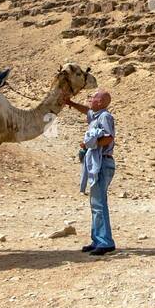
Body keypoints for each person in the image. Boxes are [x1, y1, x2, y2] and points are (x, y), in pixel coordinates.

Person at [66, 88, 116, 255]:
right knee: (95, 204)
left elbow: (108, 137)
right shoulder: (95, 116)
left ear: (100, 102)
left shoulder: (105, 117)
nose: (89, 99)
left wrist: (89, 144)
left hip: (102, 162)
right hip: (97, 162)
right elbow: (85, 110)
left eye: (91, 97)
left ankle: (105, 242)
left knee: (99, 203)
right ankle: (98, 240)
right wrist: (70, 103)